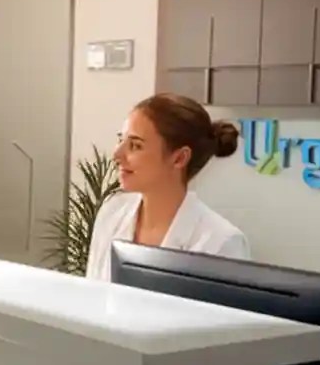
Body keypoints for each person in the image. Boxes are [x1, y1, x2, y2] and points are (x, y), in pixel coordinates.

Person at [85, 93, 251, 282]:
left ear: (179, 158)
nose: (117, 154)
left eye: (135, 145)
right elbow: (93, 294)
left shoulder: (222, 243)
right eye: (120, 140)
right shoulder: (112, 212)